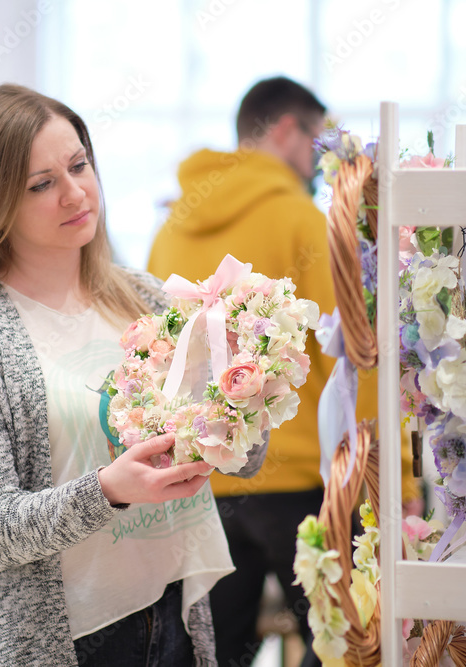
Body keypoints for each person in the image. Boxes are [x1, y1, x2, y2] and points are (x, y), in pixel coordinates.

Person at [0, 84, 267, 667]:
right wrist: (109, 490)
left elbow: (245, 459)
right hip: (60, 639)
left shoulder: (145, 297)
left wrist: (246, 402)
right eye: (41, 184)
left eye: (79, 165)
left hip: (173, 613)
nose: (75, 192)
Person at [148, 76, 421, 666]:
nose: (318, 159)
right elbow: (357, 351)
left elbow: (156, 359)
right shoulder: (303, 220)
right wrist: (397, 477)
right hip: (299, 480)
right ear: (285, 130)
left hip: (198, 485)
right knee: (342, 646)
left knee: (214, 653)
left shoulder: (170, 228)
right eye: (316, 140)